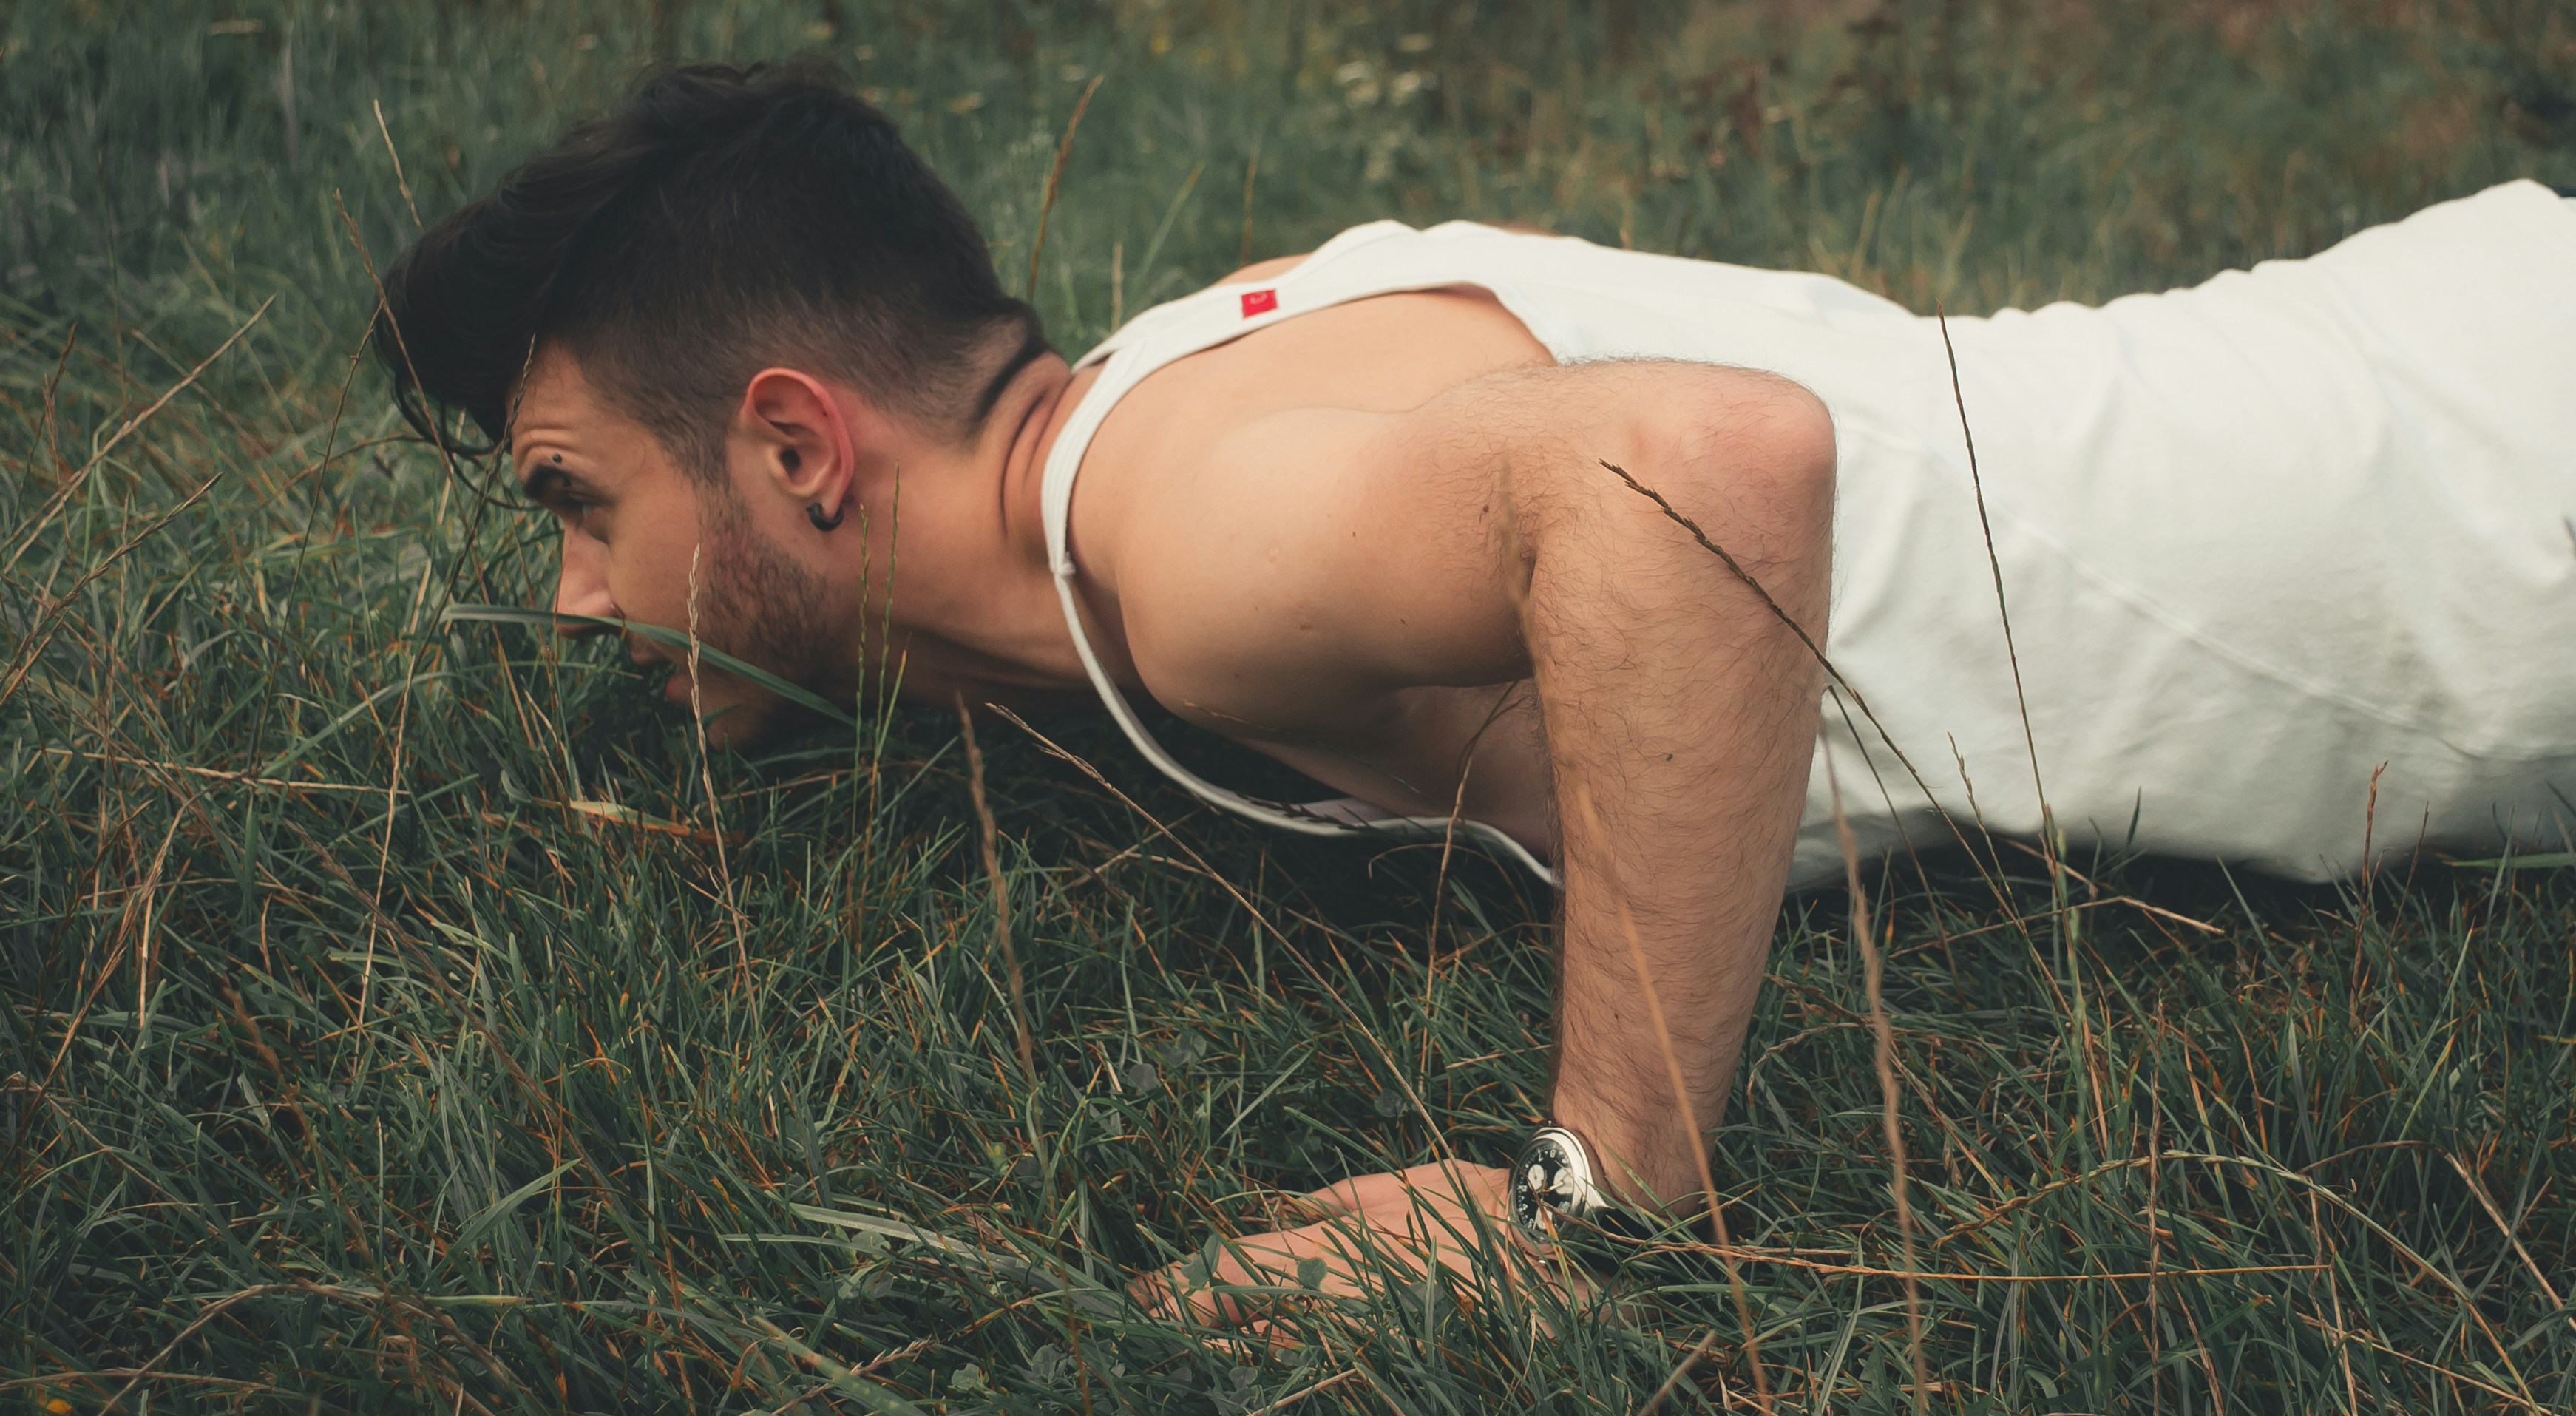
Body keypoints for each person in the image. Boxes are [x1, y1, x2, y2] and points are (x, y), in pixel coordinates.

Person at [379, 61, 2576, 1315]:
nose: (580, 603)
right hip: (2442, 360)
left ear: (793, 447)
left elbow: (1695, 468)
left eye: (579, 502)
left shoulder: (1187, 538)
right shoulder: (1166, 425)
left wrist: (1589, 1187)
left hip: (2511, 522)